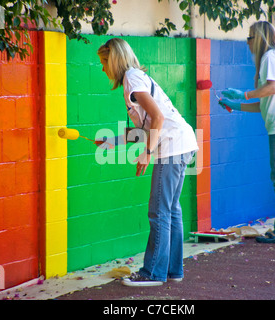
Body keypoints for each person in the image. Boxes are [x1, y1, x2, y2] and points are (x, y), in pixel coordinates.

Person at [97, 38, 198, 286]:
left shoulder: (131, 78)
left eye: (104, 62)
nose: (103, 69)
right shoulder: (135, 78)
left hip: (172, 146)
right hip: (182, 143)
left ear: (114, 60)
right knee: (171, 210)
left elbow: (157, 116)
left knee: (159, 211)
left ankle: (153, 273)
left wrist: (148, 152)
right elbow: (146, 127)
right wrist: (114, 140)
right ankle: (172, 270)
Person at [220, 21, 275, 244]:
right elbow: (265, 103)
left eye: (249, 37)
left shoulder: (270, 57)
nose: (247, 42)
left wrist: (244, 94)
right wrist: (236, 104)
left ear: (258, 38)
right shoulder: (274, 58)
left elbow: (273, 88)